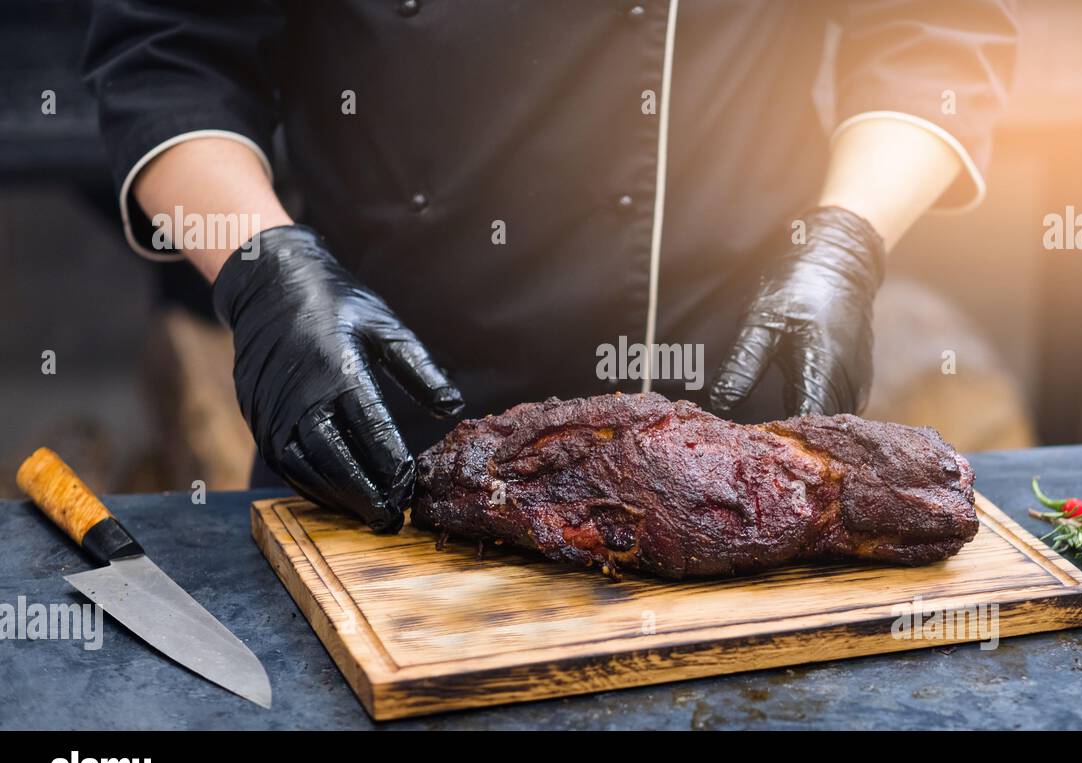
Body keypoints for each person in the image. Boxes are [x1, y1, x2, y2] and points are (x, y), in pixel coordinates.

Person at [84, 1, 1017, 532]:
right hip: (371, 424)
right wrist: (265, 267)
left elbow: (932, 30)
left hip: (734, 440)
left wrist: (844, 242)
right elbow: (169, 50)